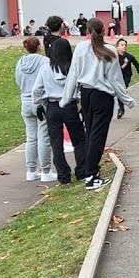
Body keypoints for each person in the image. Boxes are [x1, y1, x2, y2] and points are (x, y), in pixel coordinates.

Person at [61, 18, 135, 191]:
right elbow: (115, 80)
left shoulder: (80, 48)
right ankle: (91, 174)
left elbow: (73, 74)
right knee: (97, 136)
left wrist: (66, 98)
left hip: (86, 94)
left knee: (91, 133)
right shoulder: (110, 50)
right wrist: (127, 100)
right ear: (104, 30)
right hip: (103, 97)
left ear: (87, 30)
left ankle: (90, 171)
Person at [31, 15, 87, 184]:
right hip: (68, 105)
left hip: (52, 106)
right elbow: (78, 87)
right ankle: (82, 169)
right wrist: (79, 101)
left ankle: (63, 174)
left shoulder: (46, 68)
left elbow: (36, 90)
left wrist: (40, 104)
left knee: (56, 141)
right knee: (78, 138)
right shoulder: (71, 68)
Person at [15, 36, 57, 182]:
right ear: (39, 46)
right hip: (40, 101)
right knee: (44, 136)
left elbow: (18, 79)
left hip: (25, 100)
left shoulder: (20, 62)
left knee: (31, 137)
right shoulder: (45, 62)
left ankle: (31, 170)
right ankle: (46, 170)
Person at [115, 37, 139, 119]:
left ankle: (121, 109)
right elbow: (117, 69)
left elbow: (137, 64)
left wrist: (138, 70)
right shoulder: (115, 57)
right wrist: (125, 64)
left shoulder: (129, 56)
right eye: (122, 45)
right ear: (117, 47)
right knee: (119, 92)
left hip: (126, 76)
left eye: (125, 45)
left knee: (121, 90)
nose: (124, 47)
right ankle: (121, 108)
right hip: (117, 76)